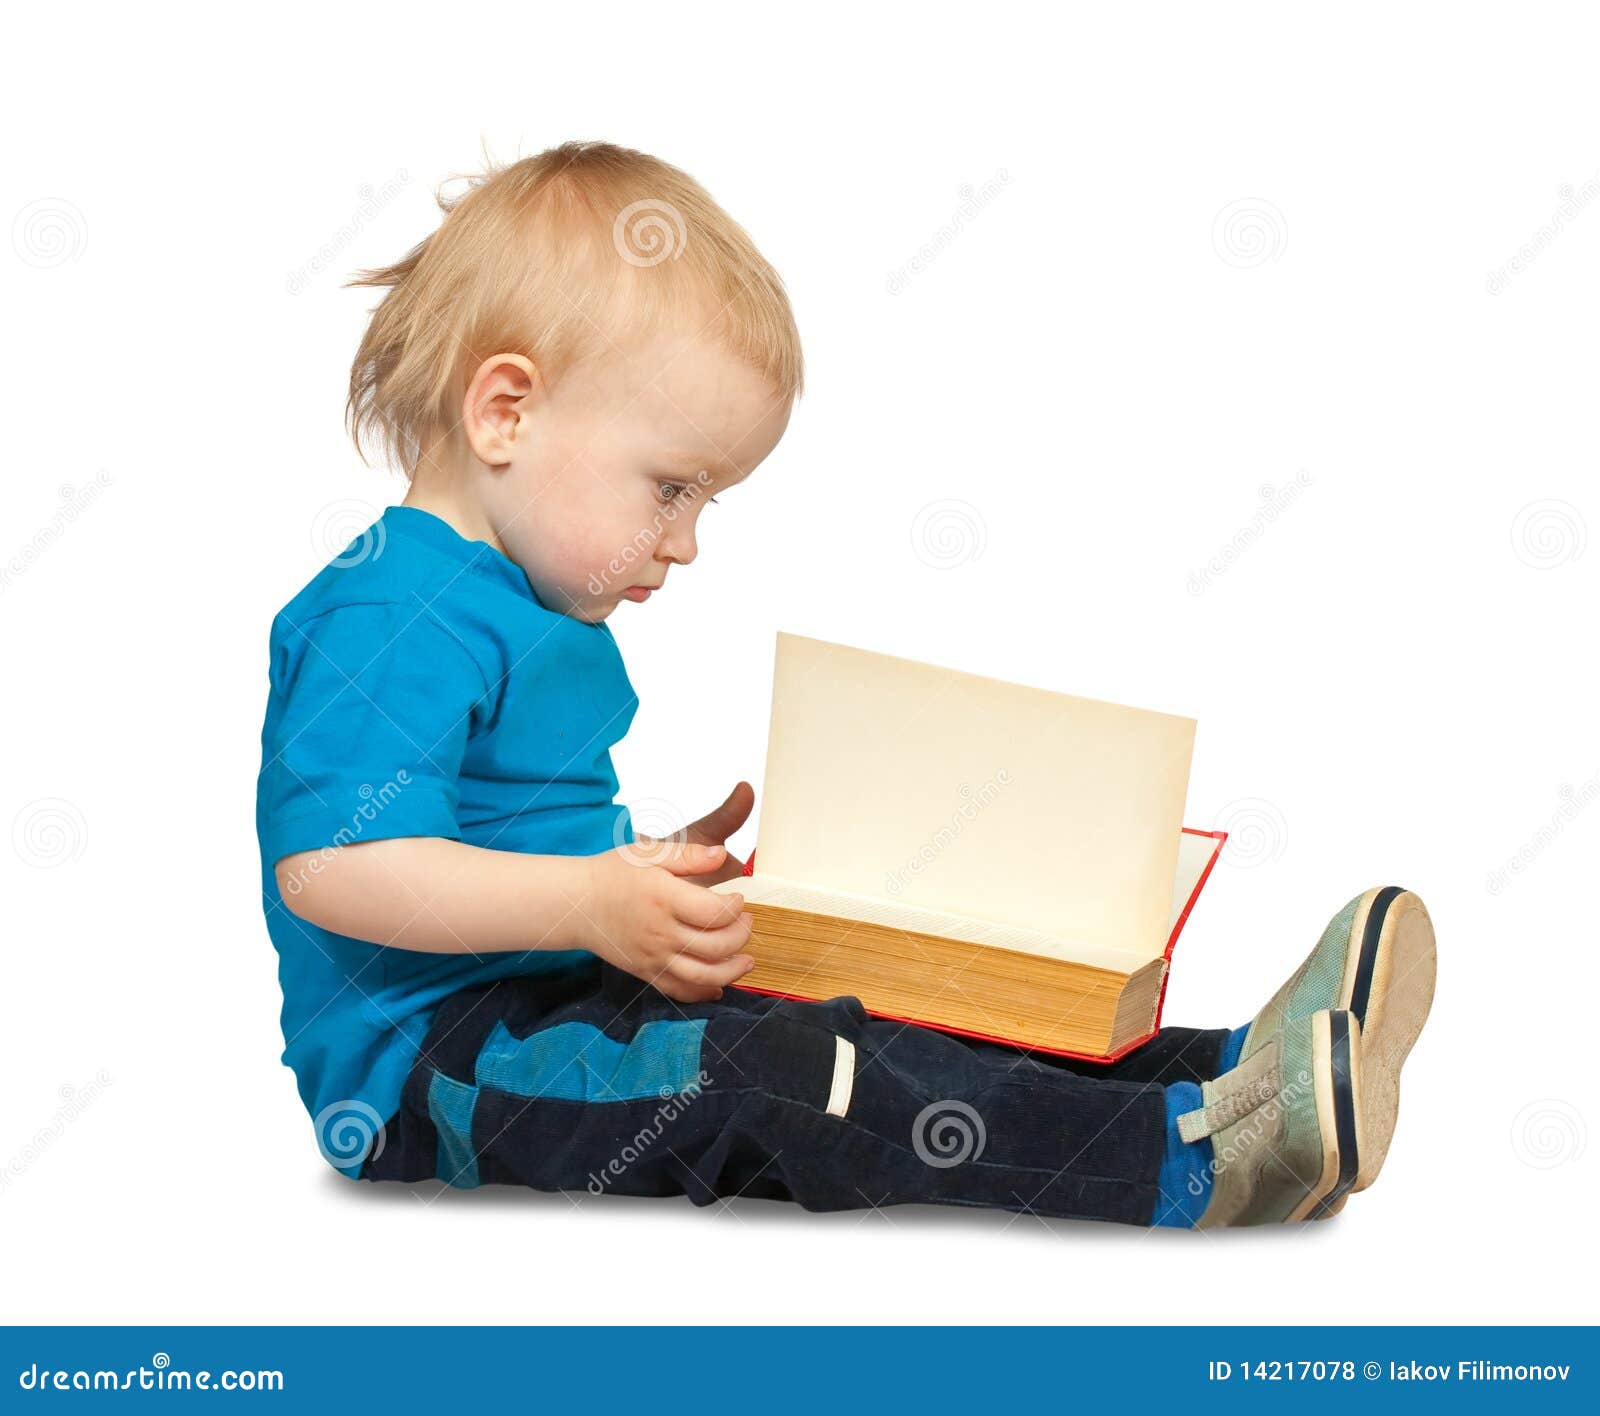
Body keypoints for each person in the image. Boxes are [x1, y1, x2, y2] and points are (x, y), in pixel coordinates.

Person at [256, 141, 1436, 1229]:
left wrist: (639, 876)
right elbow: (335, 869)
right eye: (670, 487)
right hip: (438, 1067)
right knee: (784, 1073)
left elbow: (506, 848)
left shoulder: (512, 602)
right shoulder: (388, 612)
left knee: (838, 998)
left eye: (702, 502)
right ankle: (1179, 1162)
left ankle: (1223, 1074)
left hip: (553, 995)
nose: (684, 542)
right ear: (505, 411)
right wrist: (588, 905)